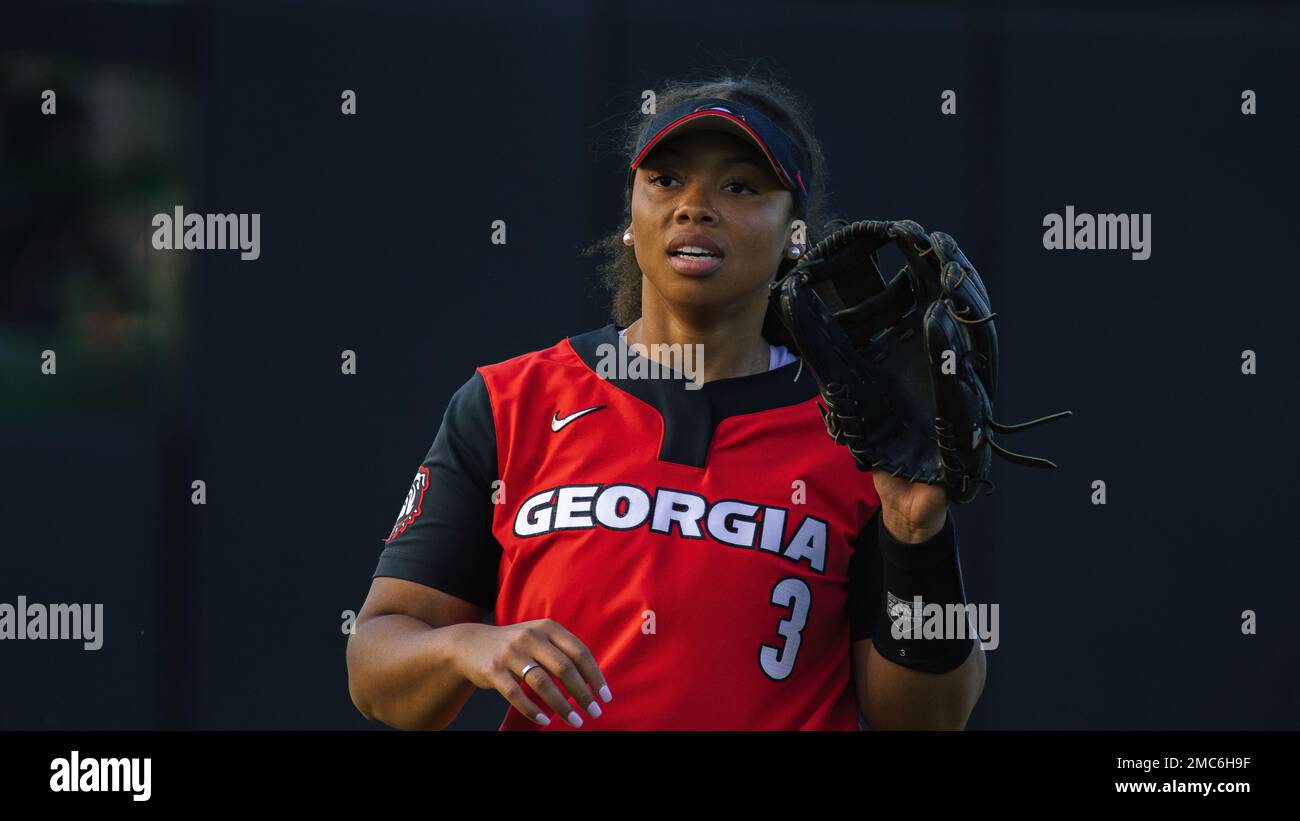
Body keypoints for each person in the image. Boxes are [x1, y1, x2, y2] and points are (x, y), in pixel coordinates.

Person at [346, 74, 986, 731]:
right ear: (631, 215)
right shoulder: (511, 402)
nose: (694, 206)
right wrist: (465, 644)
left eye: (739, 185)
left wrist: (917, 540)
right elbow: (375, 670)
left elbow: (927, 720)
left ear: (797, 232)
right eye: (666, 179)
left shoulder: (861, 428)